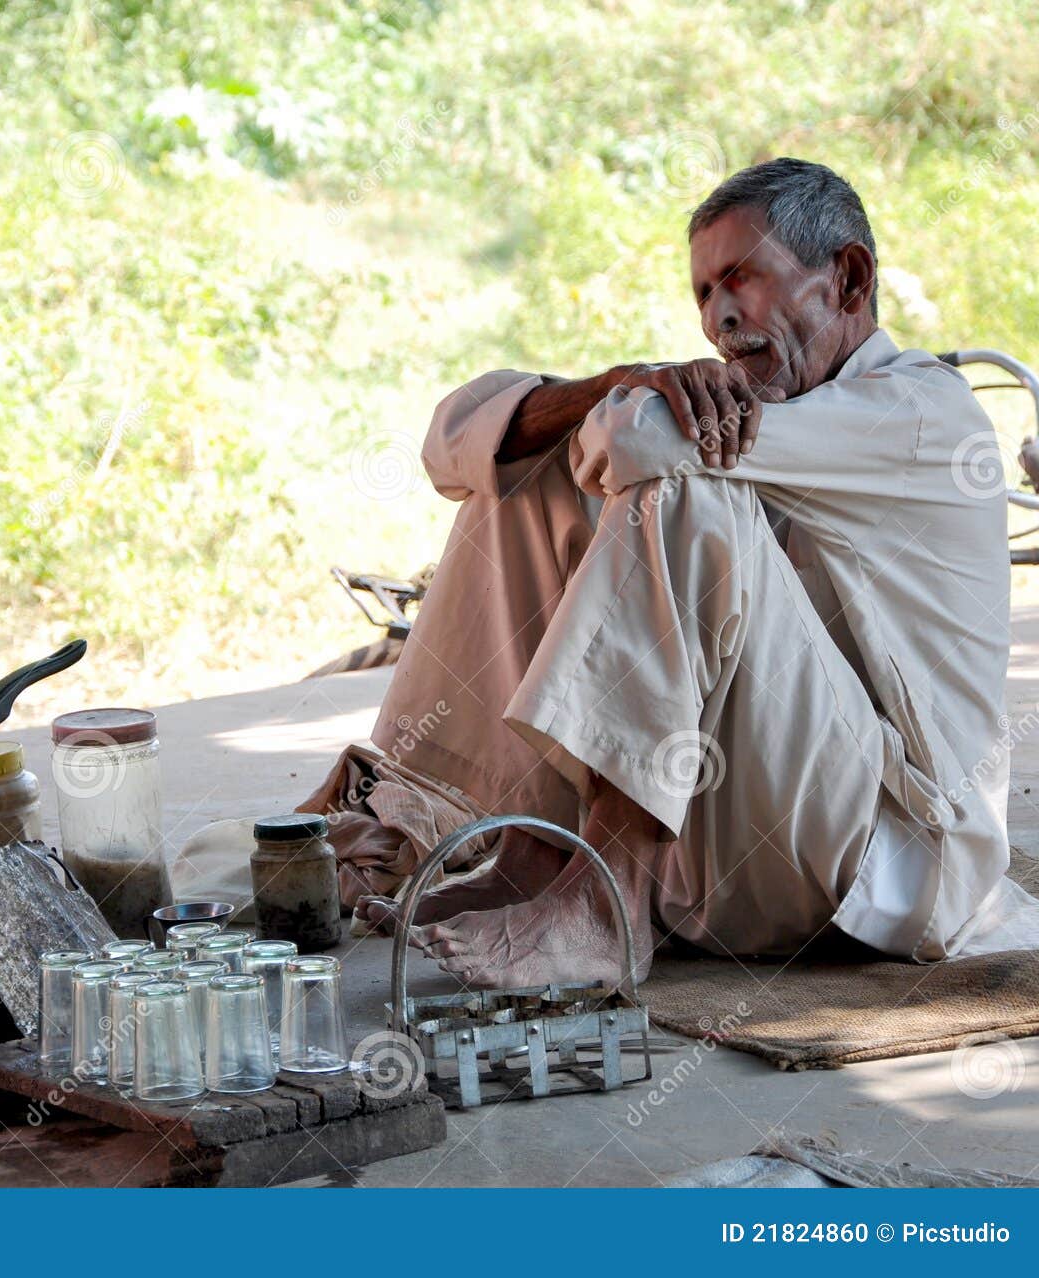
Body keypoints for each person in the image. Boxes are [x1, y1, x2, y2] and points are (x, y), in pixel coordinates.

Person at [352, 158, 1011, 986]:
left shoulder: (920, 411)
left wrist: (629, 402)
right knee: (519, 482)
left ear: (848, 278)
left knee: (681, 491)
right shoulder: (767, 413)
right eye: (703, 294)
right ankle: (532, 858)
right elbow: (451, 446)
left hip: (882, 859)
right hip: (742, 839)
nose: (719, 317)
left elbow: (645, 445)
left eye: (742, 279)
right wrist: (618, 384)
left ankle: (607, 903)